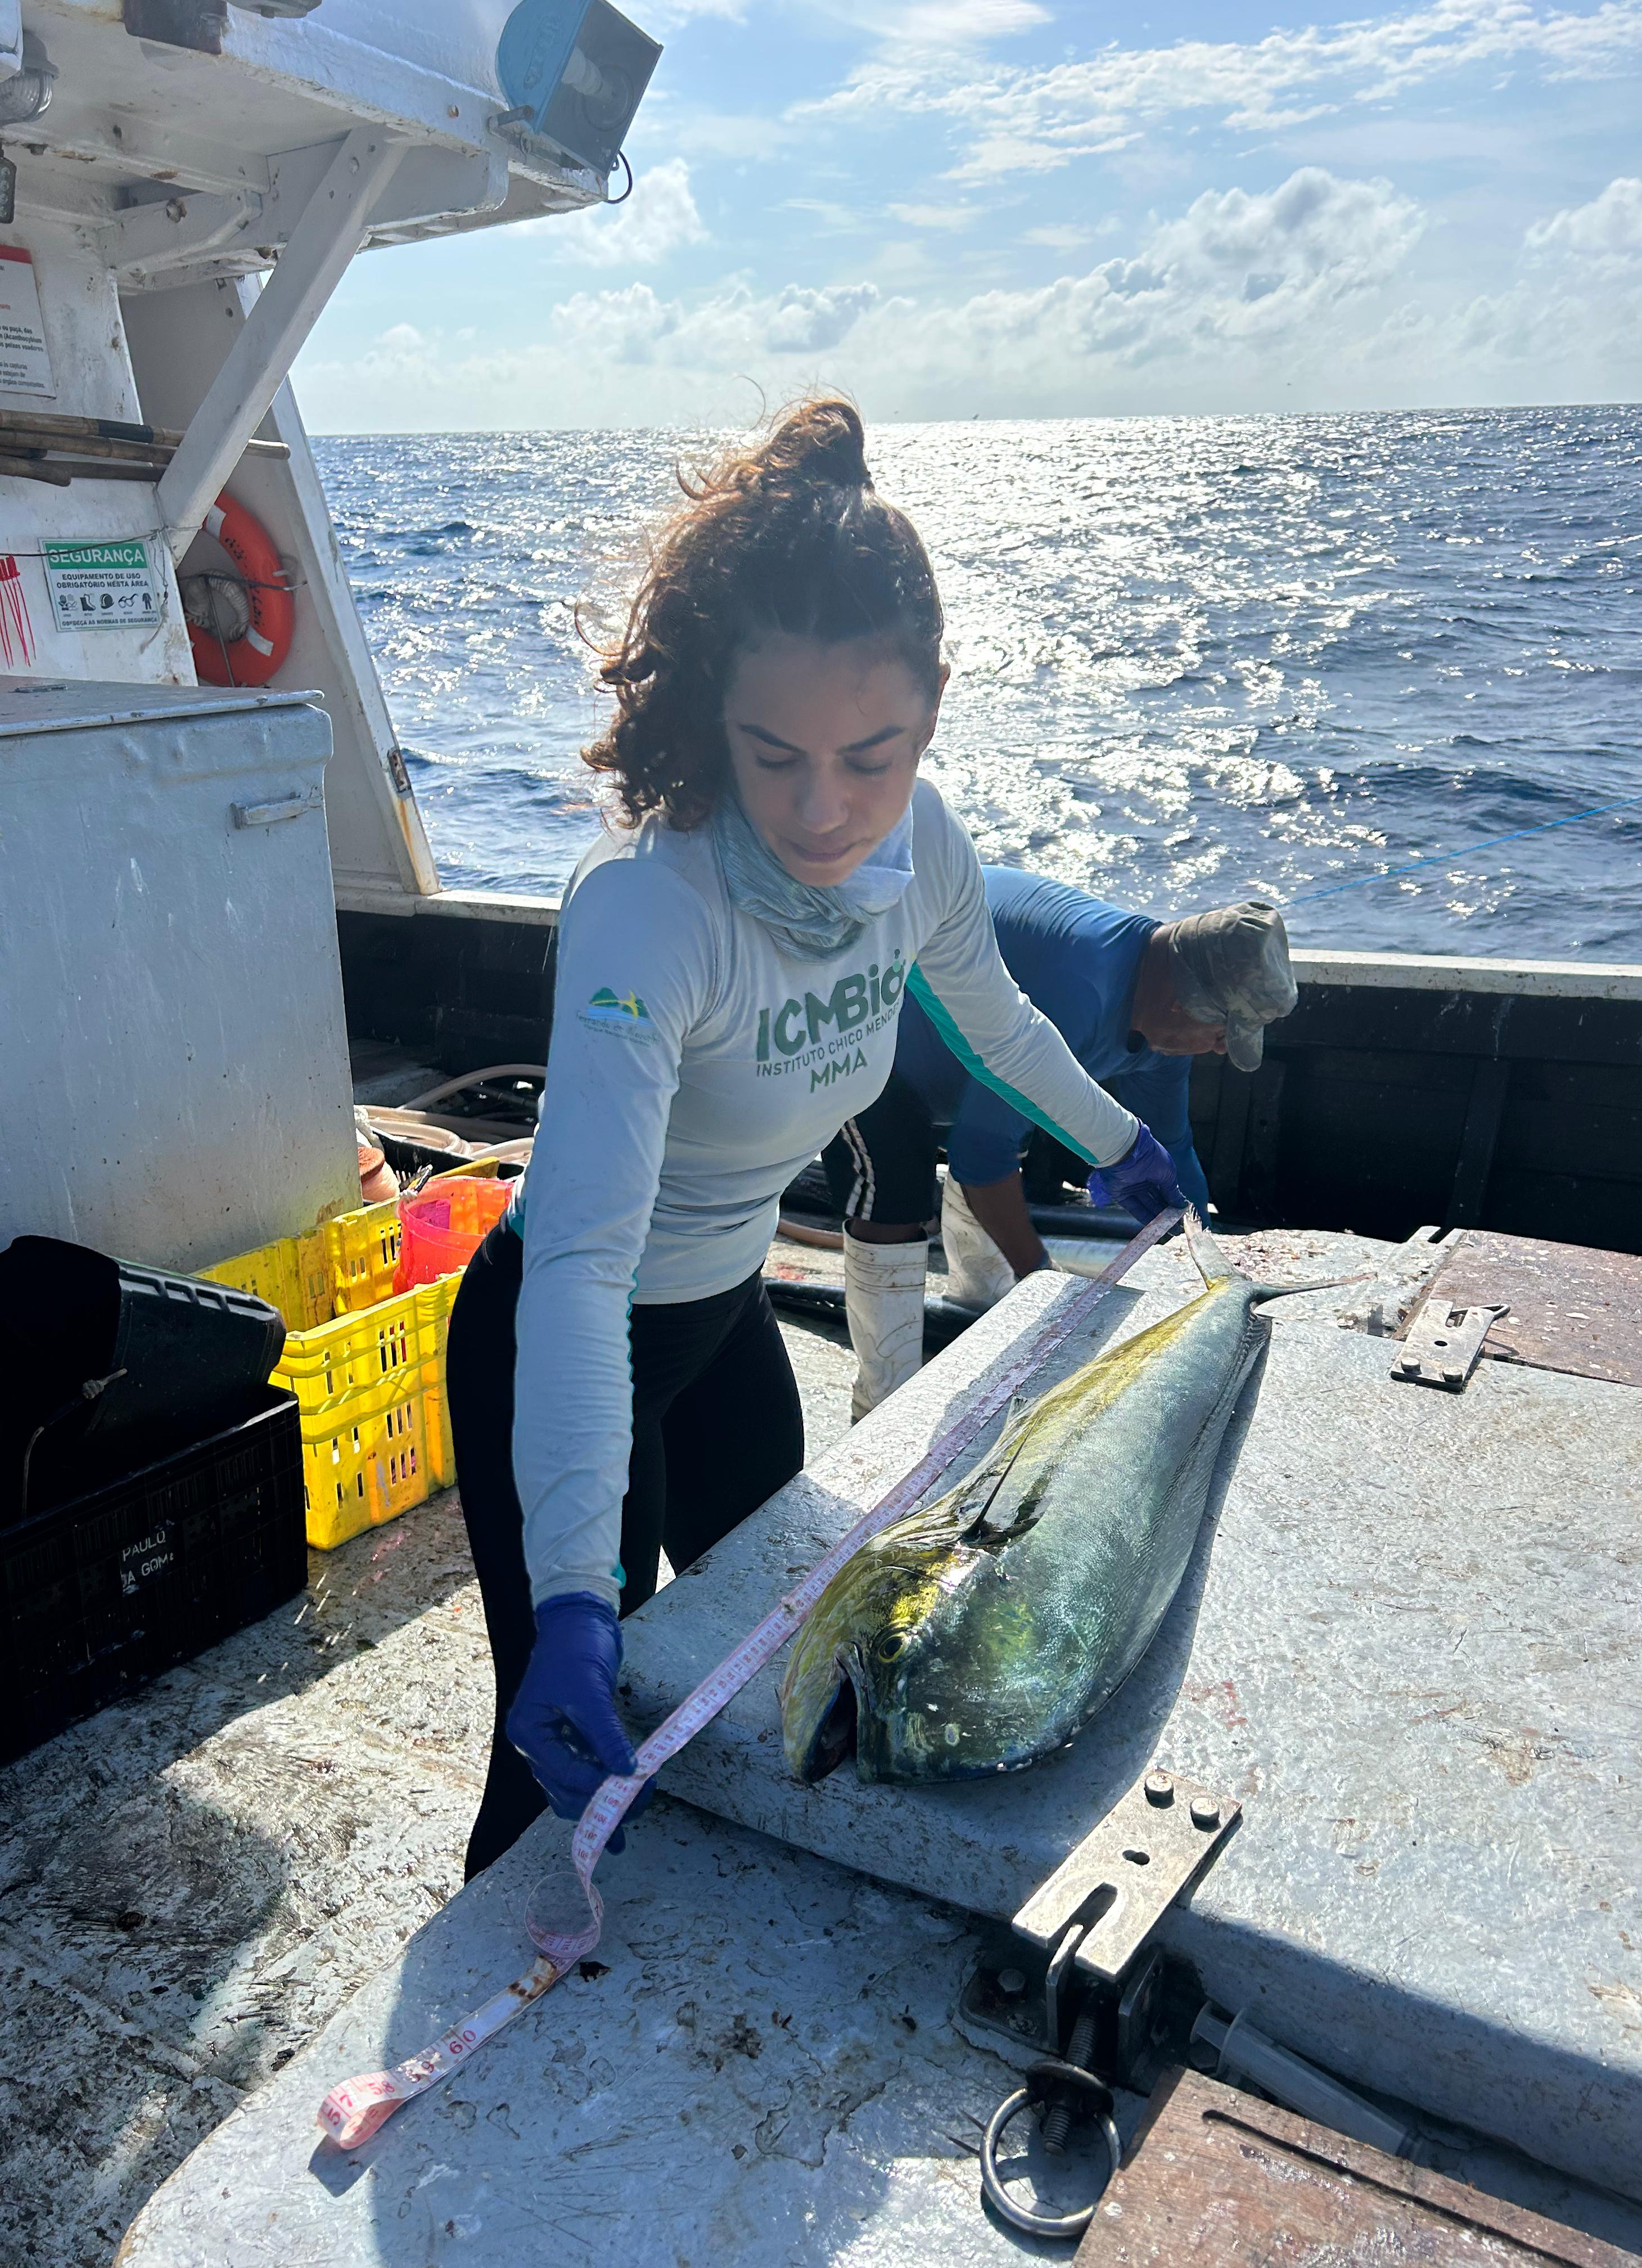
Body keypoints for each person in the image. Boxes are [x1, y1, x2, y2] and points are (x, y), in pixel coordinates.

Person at [444, 399, 1188, 1878]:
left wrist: (1120, 1145)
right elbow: (584, 1270)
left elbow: (998, 1024)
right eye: (773, 756)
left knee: (781, 1654)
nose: (825, 808)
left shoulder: (927, 850)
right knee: (553, 1769)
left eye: (874, 754)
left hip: (723, 1325)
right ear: (714, 710)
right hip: (559, 1336)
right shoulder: (649, 914)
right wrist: (581, 1598)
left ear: (933, 708)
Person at [822, 879, 1297, 1416]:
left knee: (1009, 1129)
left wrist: (1207, 1268)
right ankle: (880, 1403)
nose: (1220, 1050)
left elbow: (1172, 1148)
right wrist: (1044, 1288)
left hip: (960, 1048)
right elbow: (981, 1162)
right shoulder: (1081, 992)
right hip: (861, 1034)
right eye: (1220, 1032)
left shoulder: (1162, 1023)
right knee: (895, 1191)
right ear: (1178, 998)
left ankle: (977, 1305)